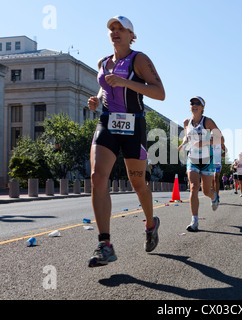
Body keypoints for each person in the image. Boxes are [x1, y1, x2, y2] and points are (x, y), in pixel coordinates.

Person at [87, 15, 165, 267]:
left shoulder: (139, 59)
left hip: (134, 125)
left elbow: (160, 93)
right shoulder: (103, 62)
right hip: (108, 122)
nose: (115, 32)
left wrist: (126, 82)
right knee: (97, 177)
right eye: (112, 28)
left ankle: (151, 224)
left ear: (132, 35)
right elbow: (105, 87)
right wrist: (97, 99)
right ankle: (105, 244)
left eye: (121, 29)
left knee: (137, 183)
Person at [178, 96, 223, 232]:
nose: (194, 105)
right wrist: (184, 142)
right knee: (193, 187)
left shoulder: (207, 122)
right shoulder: (187, 122)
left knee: (206, 190)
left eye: (198, 103)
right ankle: (194, 221)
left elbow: (220, 138)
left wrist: (204, 142)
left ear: (203, 107)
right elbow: (187, 136)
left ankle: (214, 197)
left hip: (206, 159)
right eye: (192, 103)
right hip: (192, 159)